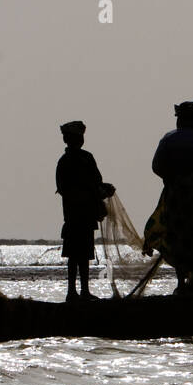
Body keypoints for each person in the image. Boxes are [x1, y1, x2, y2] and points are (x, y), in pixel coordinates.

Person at [149, 101, 193, 292]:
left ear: (181, 119)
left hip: (176, 195)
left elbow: (156, 166)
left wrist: (172, 179)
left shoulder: (169, 139)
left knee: (178, 237)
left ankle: (181, 283)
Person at [55, 120, 114, 301]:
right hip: (75, 215)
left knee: (82, 255)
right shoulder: (71, 161)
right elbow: (67, 187)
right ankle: (73, 292)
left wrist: (102, 188)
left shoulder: (79, 159)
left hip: (83, 215)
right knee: (76, 255)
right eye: (77, 137)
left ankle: (82, 291)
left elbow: (96, 183)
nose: (80, 140)